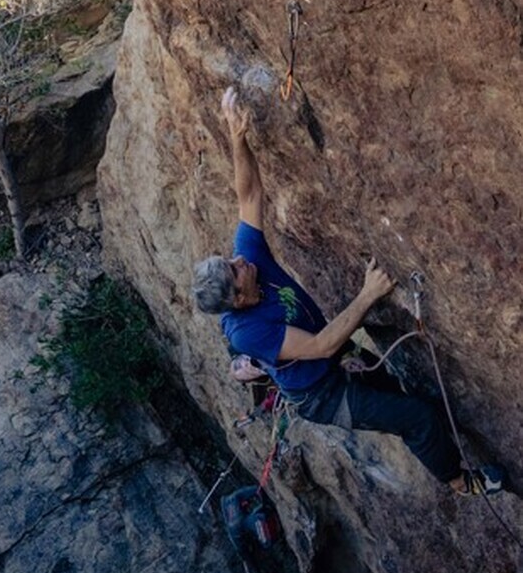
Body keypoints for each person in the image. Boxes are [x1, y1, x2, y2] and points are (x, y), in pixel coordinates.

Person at [192, 86, 503, 496]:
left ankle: (442, 451)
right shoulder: (247, 330)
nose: (240, 261)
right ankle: (463, 482)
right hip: (323, 394)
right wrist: (368, 293)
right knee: (418, 416)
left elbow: (248, 195)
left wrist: (237, 138)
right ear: (237, 299)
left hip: (338, 359)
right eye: (235, 271)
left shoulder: (250, 262)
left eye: (232, 260)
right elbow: (319, 345)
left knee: (398, 394)